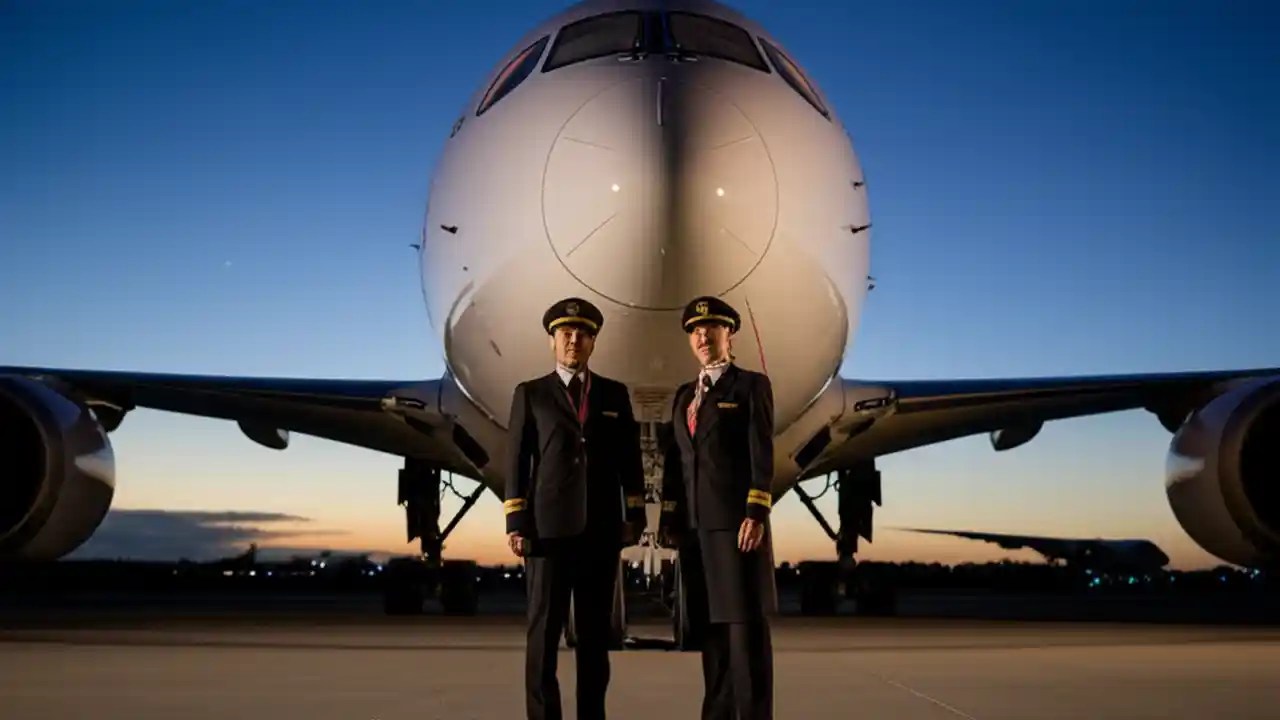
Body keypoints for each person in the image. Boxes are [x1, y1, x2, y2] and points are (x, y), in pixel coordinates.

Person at [504, 296, 647, 720]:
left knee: (594, 641)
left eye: (582, 334)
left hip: (599, 533)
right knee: (542, 637)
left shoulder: (614, 395)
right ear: (552, 341)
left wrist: (635, 514)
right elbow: (517, 461)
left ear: (593, 342)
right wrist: (516, 520)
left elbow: (629, 461)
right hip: (546, 534)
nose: (573, 341)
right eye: (565, 334)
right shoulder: (530, 394)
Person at [659, 295, 777, 720]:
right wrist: (671, 517)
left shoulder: (750, 386)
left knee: (745, 633)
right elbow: (677, 461)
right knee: (711, 634)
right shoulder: (684, 396)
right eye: (694, 331)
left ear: (729, 334)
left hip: (736, 527)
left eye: (711, 329)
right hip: (695, 531)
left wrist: (756, 512)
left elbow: (761, 454)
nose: (702, 337)